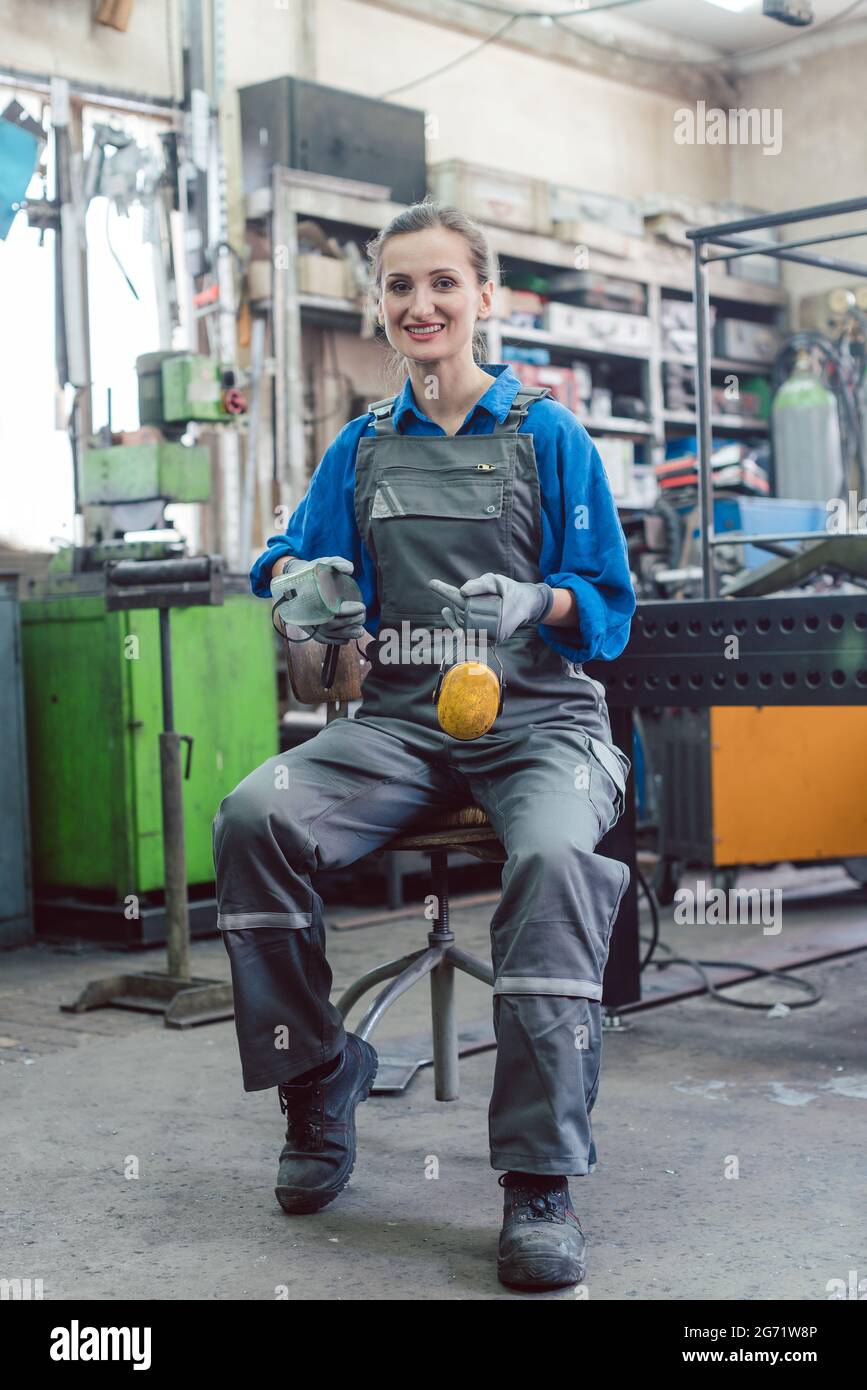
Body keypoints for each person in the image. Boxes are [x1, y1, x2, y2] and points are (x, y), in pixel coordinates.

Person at [212, 198, 636, 1292]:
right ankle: (319, 1077)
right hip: (402, 723)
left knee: (552, 863)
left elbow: (614, 610)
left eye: (443, 282)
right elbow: (288, 561)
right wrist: (296, 586)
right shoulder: (361, 447)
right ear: (381, 306)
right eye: (400, 286)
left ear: (483, 296)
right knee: (256, 816)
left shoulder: (549, 436)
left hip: (540, 719)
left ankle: (538, 1177)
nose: (421, 304)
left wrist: (539, 599)